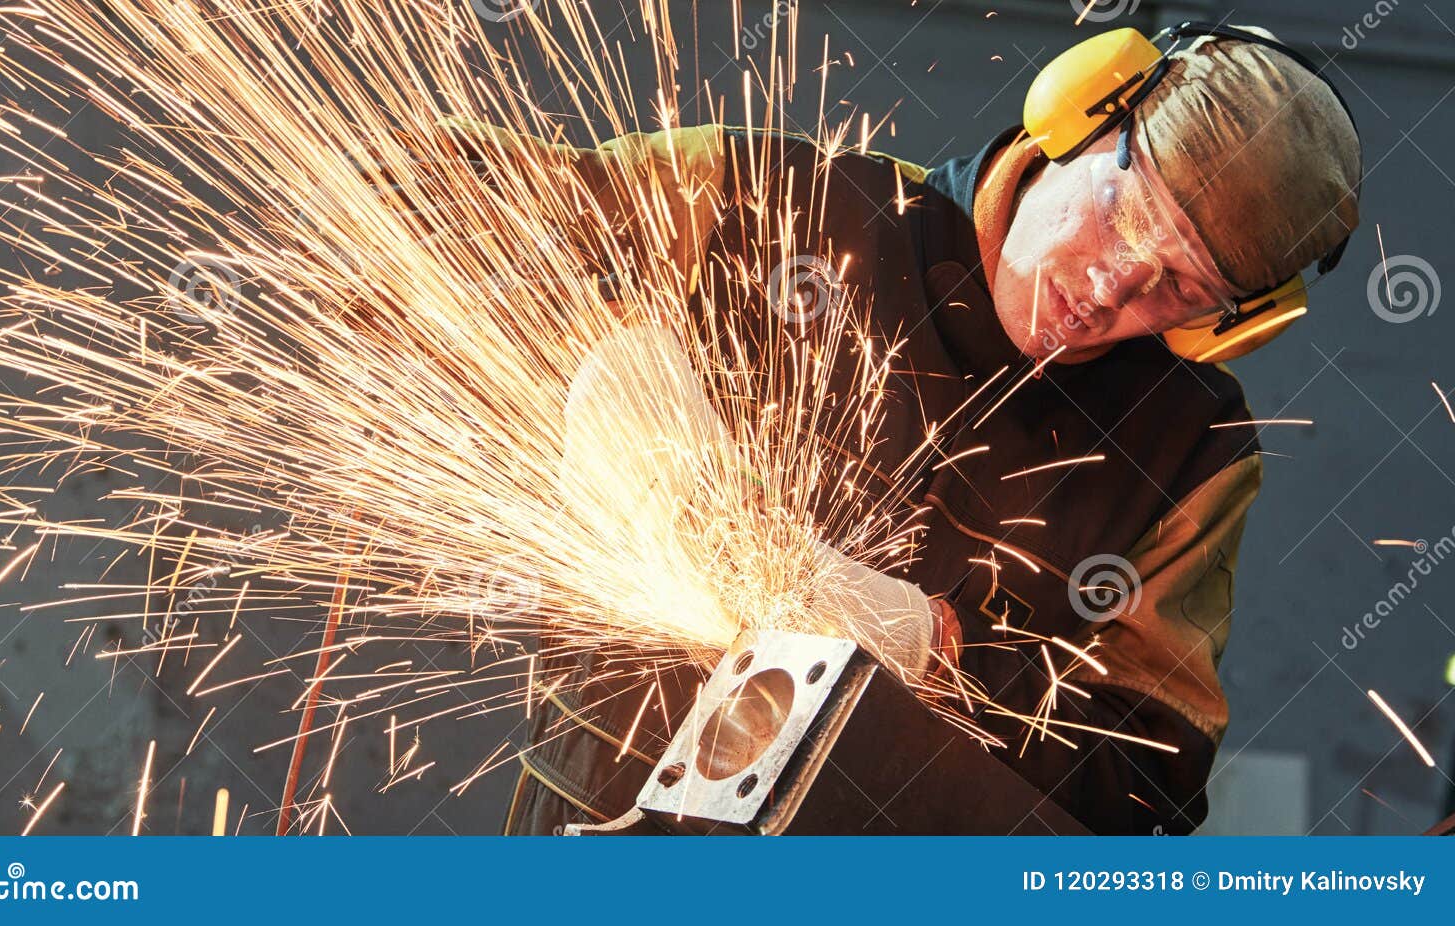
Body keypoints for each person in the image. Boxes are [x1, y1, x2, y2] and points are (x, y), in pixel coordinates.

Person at [481, 23, 1361, 835]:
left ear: (1231, 322)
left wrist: (929, 643)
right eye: (1123, 214)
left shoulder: (1190, 447)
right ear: (1085, 107)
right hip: (588, 826)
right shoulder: (771, 202)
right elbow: (440, 207)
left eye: (1180, 287)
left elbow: (1144, 781)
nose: (1110, 290)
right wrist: (605, 364)